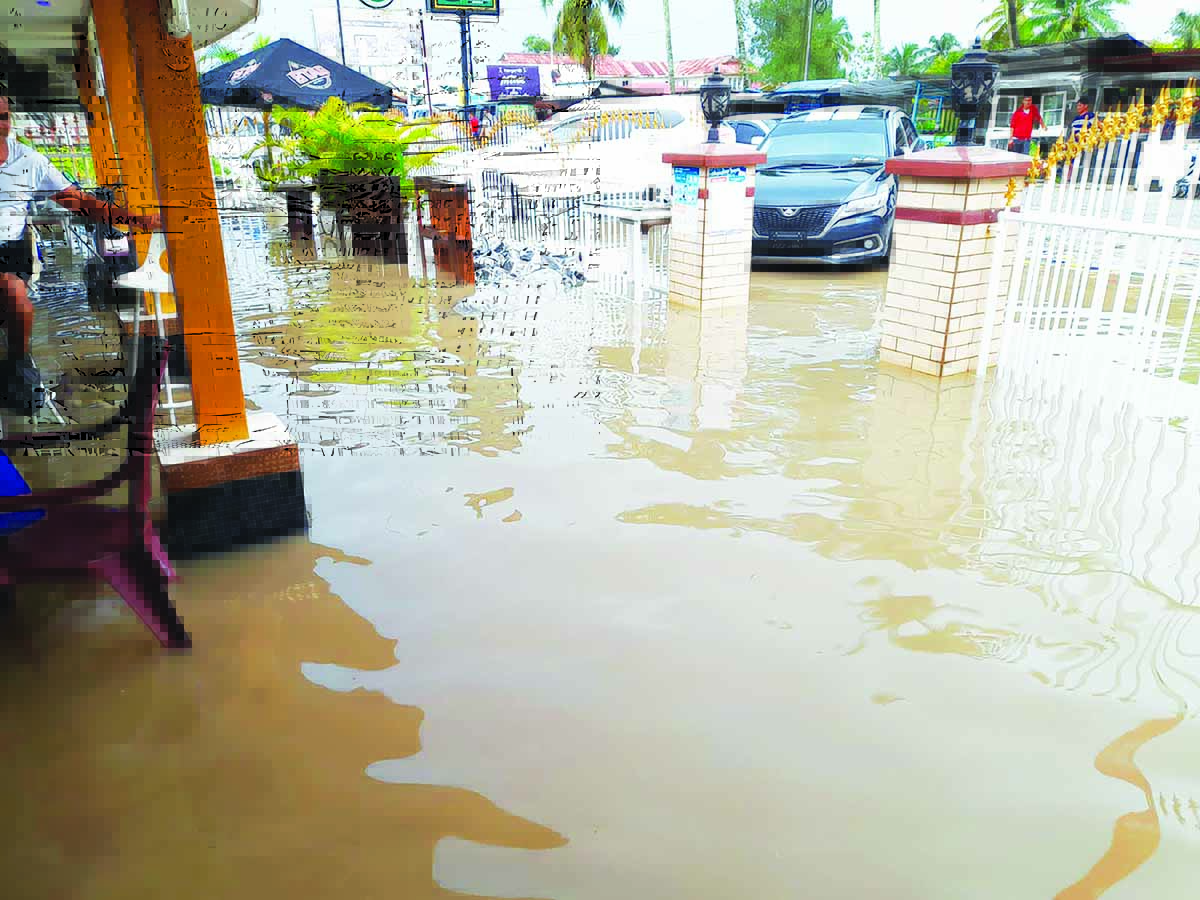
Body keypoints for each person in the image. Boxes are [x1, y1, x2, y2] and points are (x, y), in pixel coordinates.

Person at [0, 93, 160, 414]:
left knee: (13, 293)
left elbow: (81, 202)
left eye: (3, 117)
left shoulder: (28, 161)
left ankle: (18, 364)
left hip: (9, 254)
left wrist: (135, 220)